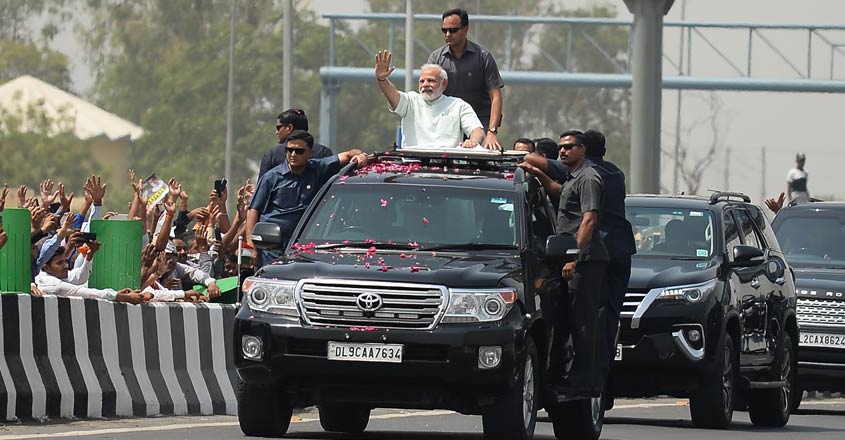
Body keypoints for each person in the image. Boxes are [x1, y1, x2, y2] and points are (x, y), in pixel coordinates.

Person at [246, 130, 369, 264]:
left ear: (310, 153)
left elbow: (349, 154)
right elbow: (253, 210)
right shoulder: (271, 178)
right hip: (273, 248)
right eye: (289, 150)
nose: (293, 155)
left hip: (305, 249)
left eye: (299, 151)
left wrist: (361, 155)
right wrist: (251, 246)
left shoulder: (318, 168)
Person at [427, 8, 504, 149]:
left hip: (480, 120)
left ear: (466, 29)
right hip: (448, 121)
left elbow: (496, 96)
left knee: (481, 156)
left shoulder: (483, 57)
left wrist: (492, 131)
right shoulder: (436, 58)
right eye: (444, 30)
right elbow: (428, 93)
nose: (448, 34)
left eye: (453, 30)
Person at [375, 51, 485, 149]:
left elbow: (477, 130)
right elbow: (392, 94)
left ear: (444, 84)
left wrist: (473, 141)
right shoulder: (411, 101)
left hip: (447, 162)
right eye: (422, 81)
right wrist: (382, 79)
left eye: (431, 81)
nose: (425, 84)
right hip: (413, 161)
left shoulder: (458, 105)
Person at [35, 245, 144, 303]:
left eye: (65, 261)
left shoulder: (54, 275)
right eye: (59, 263)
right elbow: (87, 292)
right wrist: (119, 296)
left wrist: (89, 255)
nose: (66, 266)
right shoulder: (51, 283)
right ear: (46, 267)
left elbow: (79, 278)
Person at [258, 109, 334, 179]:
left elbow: (264, 185)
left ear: (289, 128)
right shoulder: (324, 152)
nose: (276, 132)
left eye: (278, 128)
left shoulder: (273, 154)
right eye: (290, 150)